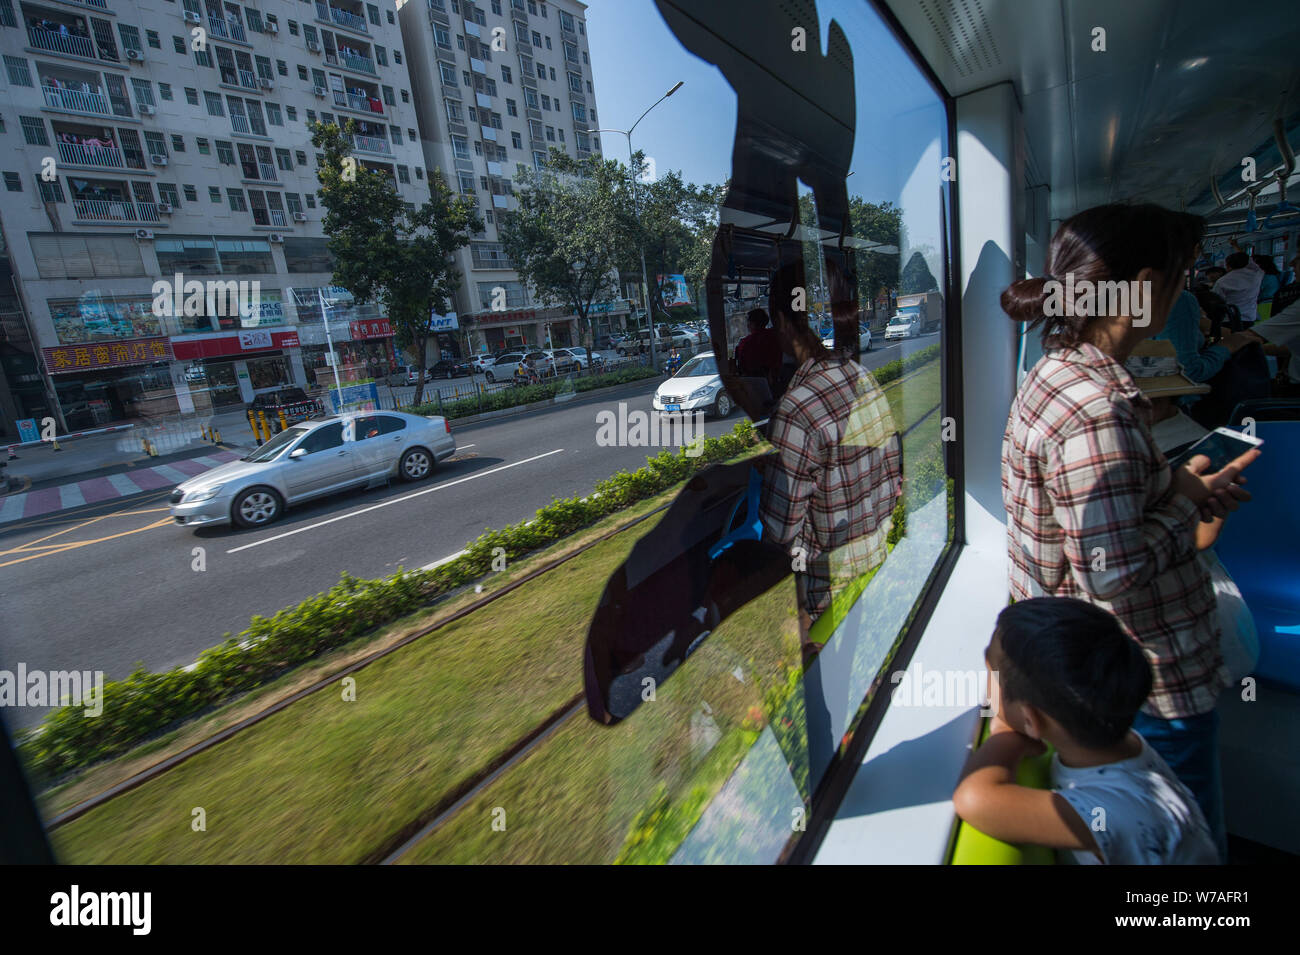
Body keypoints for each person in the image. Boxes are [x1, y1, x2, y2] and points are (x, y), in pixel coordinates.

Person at [1000, 203, 1261, 858]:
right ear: (1145, 287)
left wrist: (1174, 489)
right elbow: (1112, 570)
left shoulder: (1054, 376)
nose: (1183, 293)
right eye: (1181, 280)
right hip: (1153, 685)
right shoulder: (1097, 411)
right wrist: (1187, 499)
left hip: (1119, 678)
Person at [952, 598, 1219, 864]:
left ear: (1030, 720)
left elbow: (974, 799)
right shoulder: (1126, 745)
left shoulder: (1108, 811)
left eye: (990, 668)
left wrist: (1005, 734)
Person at [758, 259, 901, 656]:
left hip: (829, 603)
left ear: (782, 323)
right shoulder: (861, 376)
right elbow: (892, 476)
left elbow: (778, 536)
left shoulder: (795, 412)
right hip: (877, 569)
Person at [1211, 238, 1264, 325]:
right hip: (1249, 318)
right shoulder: (1256, 274)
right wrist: (1235, 246)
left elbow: (1215, 301)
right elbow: (1247, 259)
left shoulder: (1222, 282)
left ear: (1228, 266)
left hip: (1228, 320)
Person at [734, 307, 782, 384]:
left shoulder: (746, 342)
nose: (747, 325)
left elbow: (742, 367)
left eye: (748, 322)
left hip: (755, 383)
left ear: (752, 324)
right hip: (777, 380)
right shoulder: (775, 336)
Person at [1254, 253, 1281, 320]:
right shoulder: (1272, 276)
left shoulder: (1266, 278)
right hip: (1269, 303)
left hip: (1264, 304)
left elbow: (1256, 291)